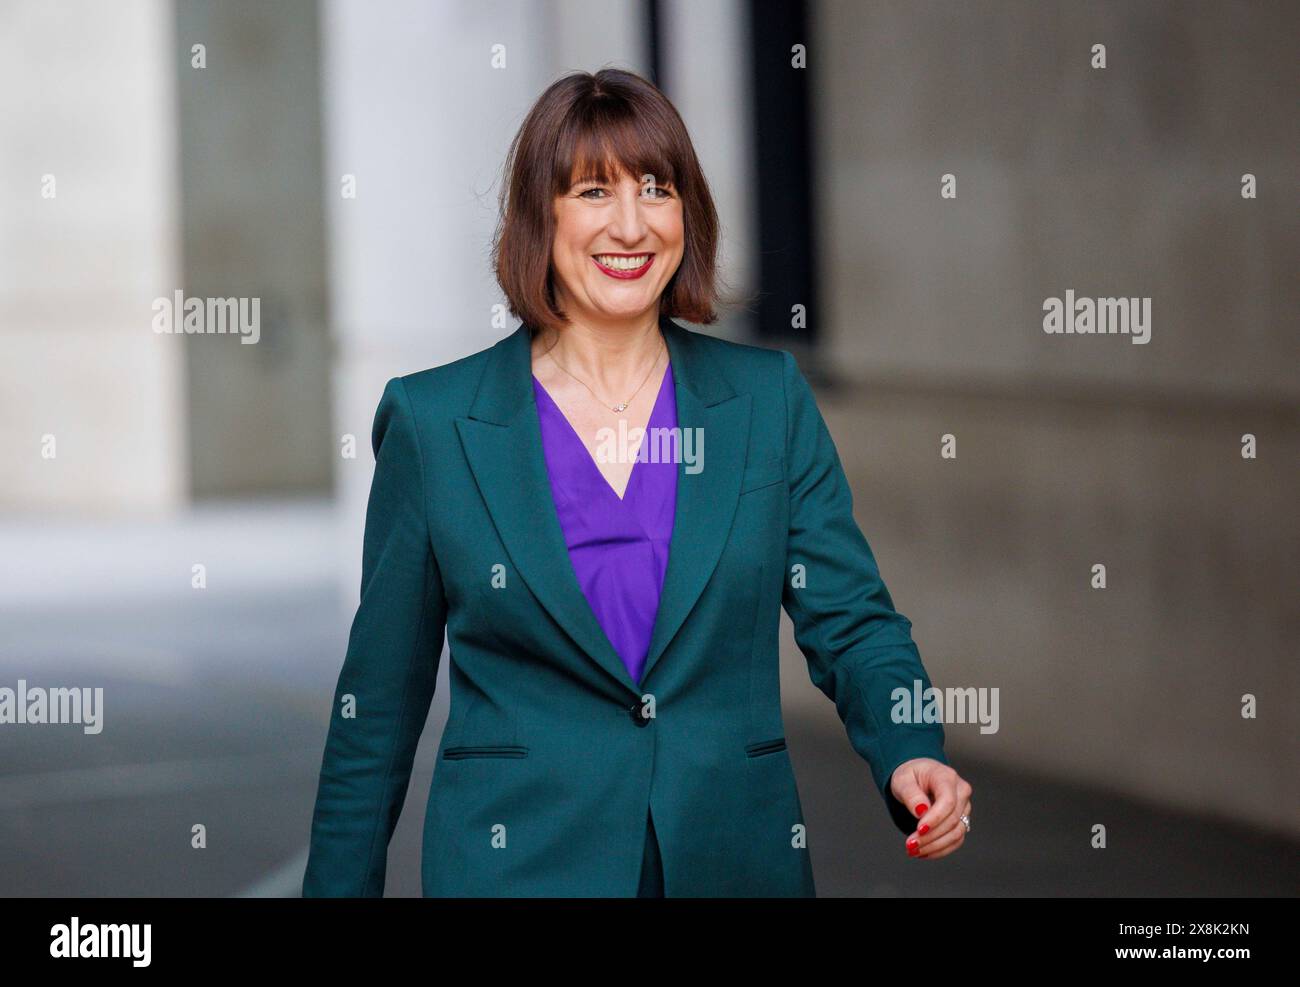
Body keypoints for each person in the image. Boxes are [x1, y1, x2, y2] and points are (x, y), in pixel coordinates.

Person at [303, 67, 972, 898]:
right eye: (592, 191)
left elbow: (852, 620)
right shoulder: (436, 424)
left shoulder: (766, 403)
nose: (630, 224)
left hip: (734, 859)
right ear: (537, 217)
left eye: (656, 189)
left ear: (686, 214)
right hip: (519, 867)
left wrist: (912, 746)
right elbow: (379, 704)